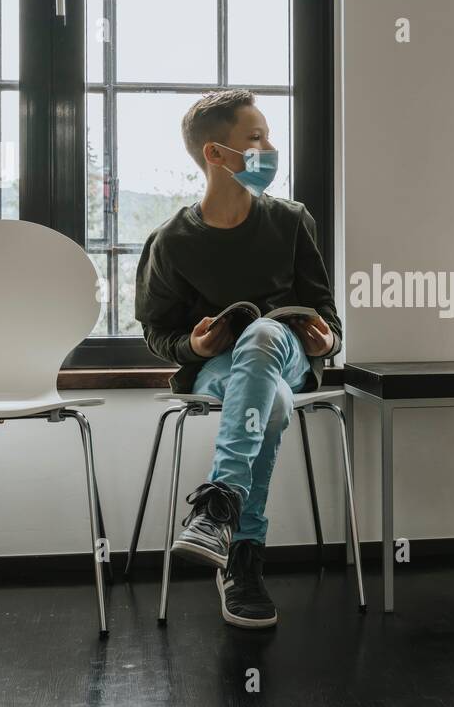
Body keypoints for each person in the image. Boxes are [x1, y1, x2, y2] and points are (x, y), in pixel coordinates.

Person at [135, 89, 342, 629]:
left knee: (266, 334)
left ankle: (217, 506)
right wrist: (195, 347)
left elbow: (326, 315)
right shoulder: (172, 241)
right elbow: (158, 332)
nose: (270, 148)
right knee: (268, 396)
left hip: (288, 353)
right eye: (256, 139)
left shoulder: (292, 221)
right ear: (216, 154)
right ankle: (244, 554)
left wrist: (324, 341)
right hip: (223, 371)